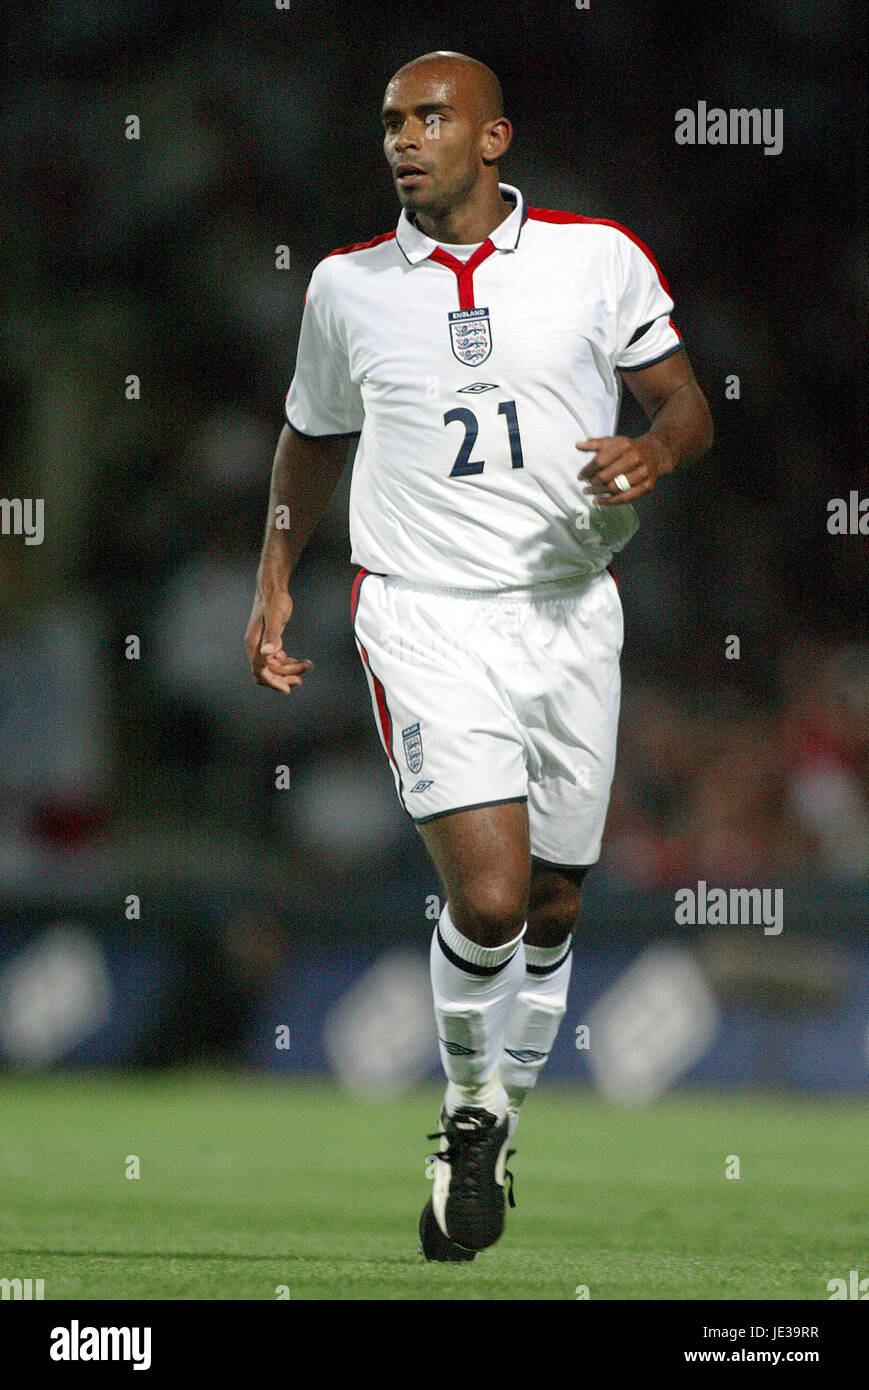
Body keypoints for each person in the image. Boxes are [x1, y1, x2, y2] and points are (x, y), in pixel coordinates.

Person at [245, 50, 713, 1261]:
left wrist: (651, 457)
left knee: (556, 900)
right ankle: (463, 1109)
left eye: (431, 117)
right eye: (391, 119)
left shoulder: (593, 259)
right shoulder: (347, 289)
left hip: (567, 609)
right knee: (492, 896)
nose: (403, 138)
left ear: (492, 138)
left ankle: (504, 1107)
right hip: (423, 609)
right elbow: (310, 440)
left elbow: (683, 404)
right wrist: (274, 581)